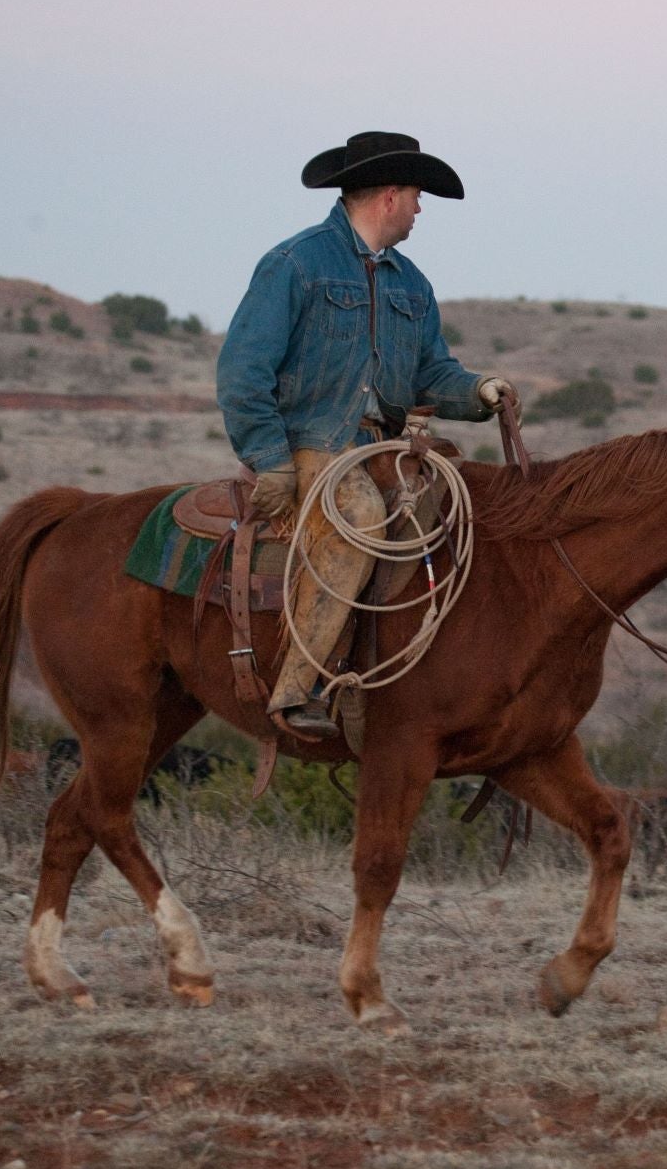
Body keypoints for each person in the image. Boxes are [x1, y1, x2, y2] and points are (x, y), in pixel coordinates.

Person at [216, 131, 514, 740]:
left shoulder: (412, 284)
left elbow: (432, 372)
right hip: (310, 443)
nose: (420, 210)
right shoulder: (295, 264)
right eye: (417, 196)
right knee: (358, 521)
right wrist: (269, 458)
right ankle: (297, 690)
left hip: (387, 447)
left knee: (467, 513)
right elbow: (244, 371)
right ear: (389, 196)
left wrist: (480, 391)